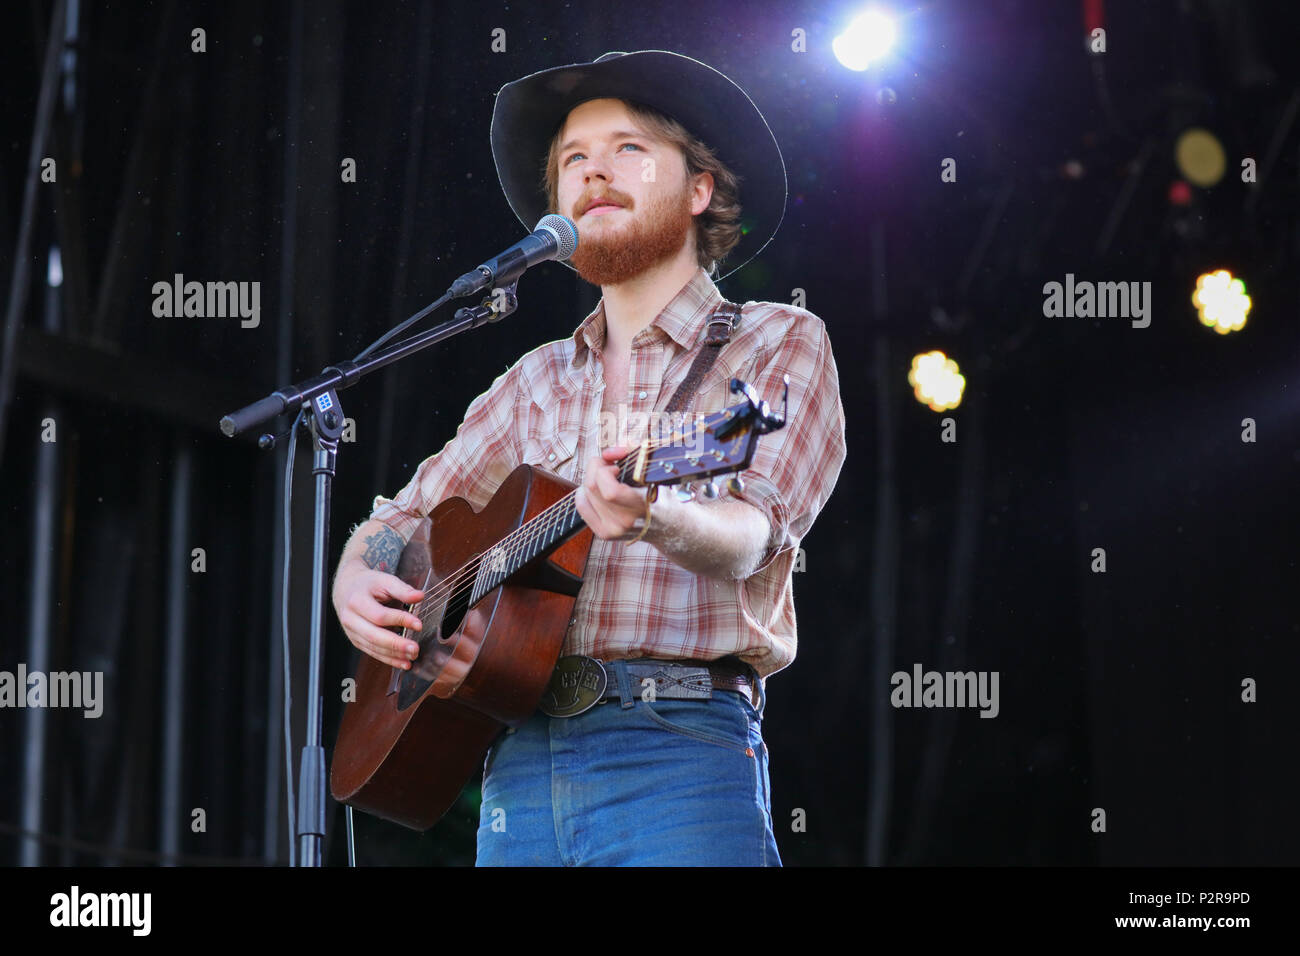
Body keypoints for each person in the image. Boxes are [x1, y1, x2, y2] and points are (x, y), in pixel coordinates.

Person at [331, 51, 846, 866]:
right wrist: (358, 576)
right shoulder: (532, 379)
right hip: (517, 767)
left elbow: (755, 533)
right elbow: (397, 519)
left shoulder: (776, 340)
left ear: (700, 190)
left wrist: (655, 515)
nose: (594, 170)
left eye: (629, 148)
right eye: (574, 159)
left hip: (677, 750)